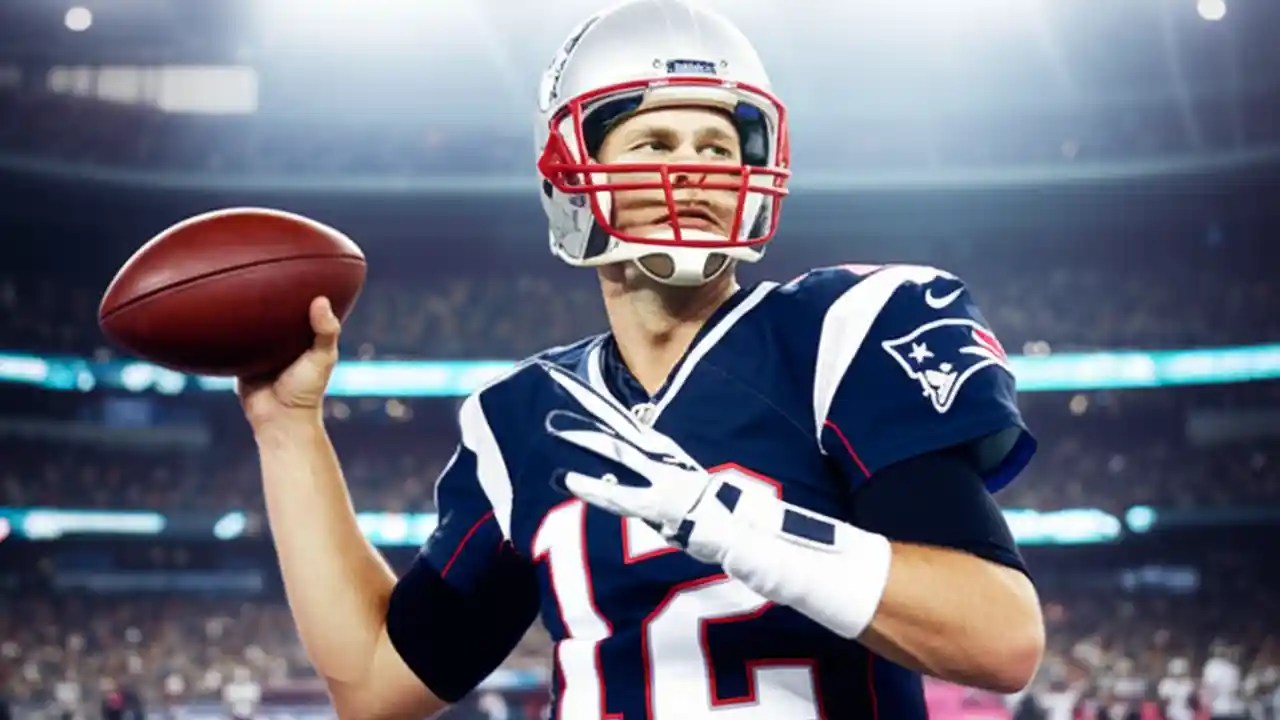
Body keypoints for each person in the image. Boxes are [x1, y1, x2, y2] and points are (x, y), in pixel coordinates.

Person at [236, 1, 1045, 717]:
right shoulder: (522, 419)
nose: (691, 169)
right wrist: (289, 430)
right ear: (573, 176)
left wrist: (743, 529)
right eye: (653, 139)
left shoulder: (842, 334)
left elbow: (1001, 638)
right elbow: (376, 688)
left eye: (717, 145)